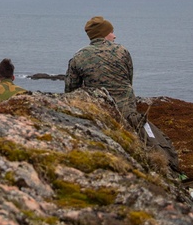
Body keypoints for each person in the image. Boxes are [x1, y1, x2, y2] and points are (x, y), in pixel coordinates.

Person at [65, 16, 181, 174]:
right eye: (111, 32)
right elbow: (129, 80)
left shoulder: (78, 56)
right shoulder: (122, 51)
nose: (114, 36)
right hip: (128, 114)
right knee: (155, 142)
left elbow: (71, 91)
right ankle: (170, 170)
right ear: (103, 33)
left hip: (100, 114)